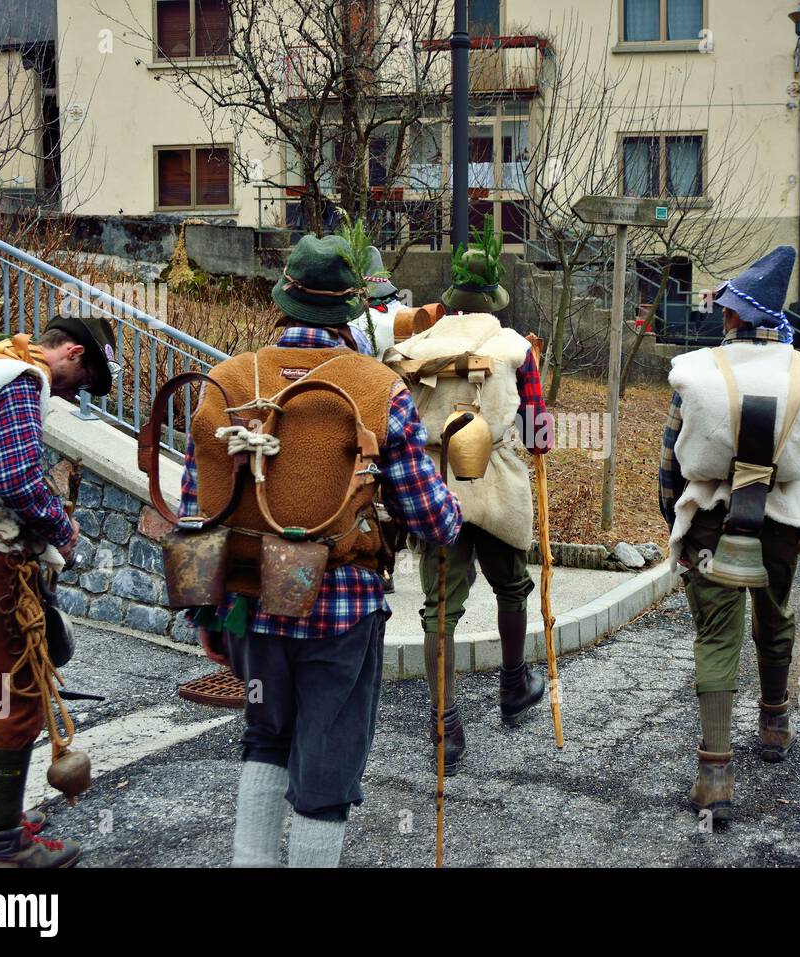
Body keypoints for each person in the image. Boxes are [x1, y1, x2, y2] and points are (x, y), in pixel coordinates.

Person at [181, 234, 462, 866]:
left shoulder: (227, 378)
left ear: (283, 301)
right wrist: (454, 515)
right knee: (328, 755)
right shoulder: (377, 387)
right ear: (349, 312)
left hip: (249, 602)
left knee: (264, 736)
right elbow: (427, 514)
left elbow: (197, 500)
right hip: (341, 606)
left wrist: (213, 615)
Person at [658, 245, 800, 825]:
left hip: (713, 519)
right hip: (784, 522)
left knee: (717, 636)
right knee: (776, 614)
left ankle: (714, 772)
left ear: (734, 316)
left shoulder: (693, 372)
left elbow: (670, 465)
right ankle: (775, 720)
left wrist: (677, 524)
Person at [0, 314, 118, 867]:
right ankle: (4, 845)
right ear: (73, 355)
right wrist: (64, 530)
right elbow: (15, 480)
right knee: (19, 693)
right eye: (78, 383)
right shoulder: (19, 378)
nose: (67, 393)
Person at [391, 219, 552, 775]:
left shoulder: (410, 347)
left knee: (441, 609)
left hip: (435, 486)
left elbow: (395, 420)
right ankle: (513, 687)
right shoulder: (514, 348)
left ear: (453, 301)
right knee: (513, 585)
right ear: (495, 302)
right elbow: (538, 436)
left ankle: (446, 729)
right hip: (499, 481)